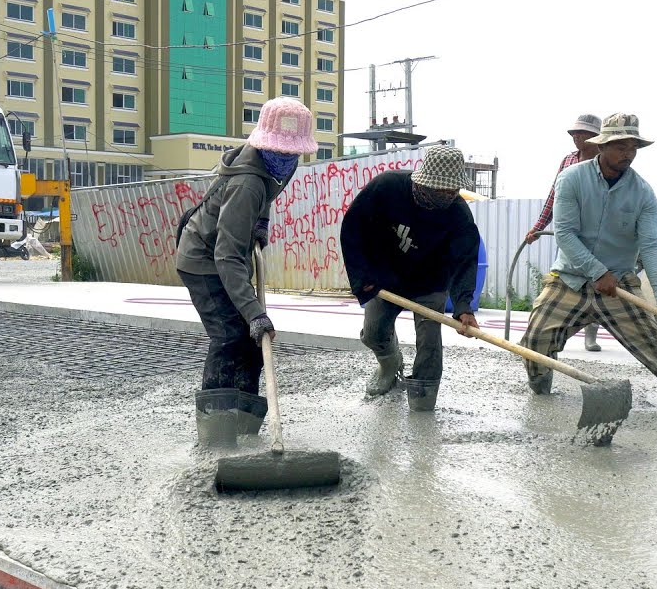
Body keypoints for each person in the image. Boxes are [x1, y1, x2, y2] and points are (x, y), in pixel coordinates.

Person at [519, 113, 657, 405]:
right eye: (621, 147)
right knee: (535, 341)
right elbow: (565, 234)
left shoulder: (642, 192)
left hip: (618, 282)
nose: (628, 154)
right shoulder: (570, 179)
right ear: (602, 146)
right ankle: (542, 396)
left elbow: (652, 246)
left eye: (632, 148)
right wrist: (596, 271)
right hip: (570, 279)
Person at [176, 97, 317, 447]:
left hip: (225, 255)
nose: (286, 160)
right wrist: (254, 313)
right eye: (280, 154)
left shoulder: (275, 163)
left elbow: (267, 195)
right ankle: (216, 435)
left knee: (254, 345)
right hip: (204, 261)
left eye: (291, 154)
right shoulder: (247, 183)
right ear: (264, 144)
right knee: (229, 337)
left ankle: (244, 429)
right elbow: (226, 257)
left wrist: (261, 224)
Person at [340, 145, 482, 412]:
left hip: (430, 281)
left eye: (454, 190)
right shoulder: (387, 189)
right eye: (444, 190)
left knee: (429, 341)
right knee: (373, 333)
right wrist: (362, 276)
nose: (450, 195)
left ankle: (423, 396)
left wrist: (463, 307)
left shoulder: (458, 213)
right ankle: (390, 365)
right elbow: (354, 228)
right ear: (425, 184)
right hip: (385, 278)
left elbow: (465, 260)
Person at [525, 113, 605, 351]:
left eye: (582, 133)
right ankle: (554, 333)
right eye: (574, 133)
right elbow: (554, 196)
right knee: (568, 279)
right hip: (569, 232)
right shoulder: (568, 161)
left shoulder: (604, 163)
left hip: (596, 233)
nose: (577, 137)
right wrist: (539, 227)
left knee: (597, 282)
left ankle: (591, 332)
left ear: (597, 138)